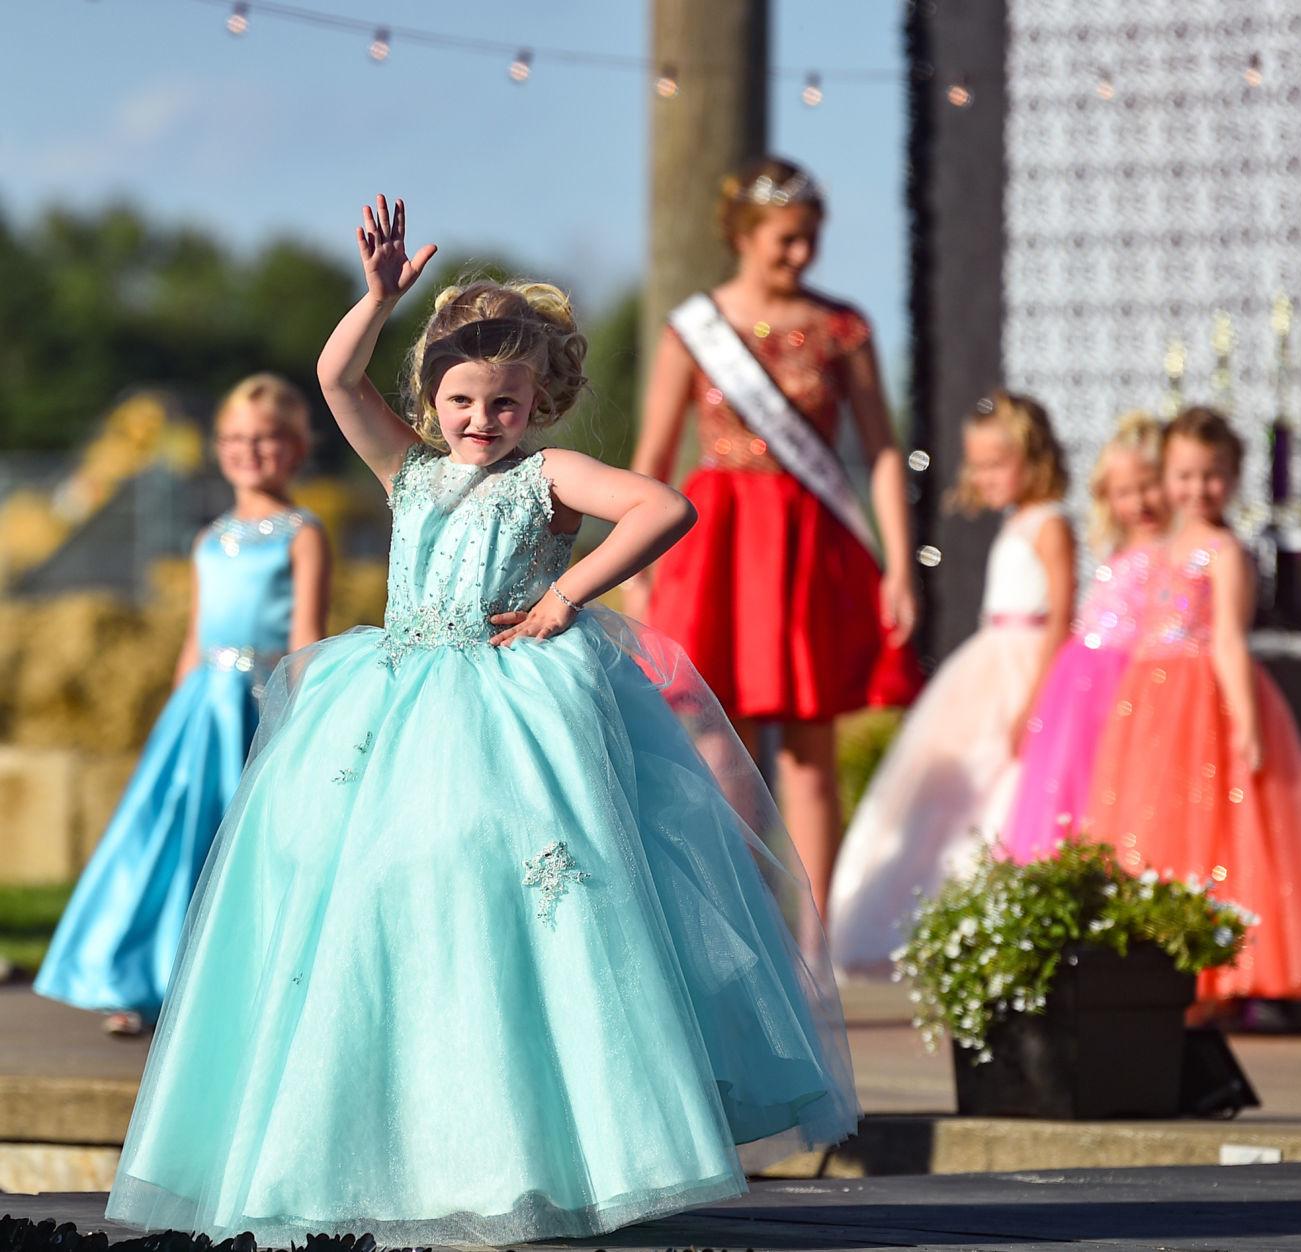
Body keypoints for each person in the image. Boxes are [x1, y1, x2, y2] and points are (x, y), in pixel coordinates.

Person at [105, 197, 857, 1245]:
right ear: (430, 396)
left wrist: (567, 594)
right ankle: (381, 1143)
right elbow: (332, 380)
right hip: (393, 702)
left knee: (512, 905)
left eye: (504, 402)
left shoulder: (544, 477)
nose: (479, 420)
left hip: (510, 714)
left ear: (538, 400)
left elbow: (661, 505)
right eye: (461, 399)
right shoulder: (406, 467)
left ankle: (531, 1156)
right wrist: (375, 300)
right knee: (376, 901)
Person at [631, 156, 921, 922]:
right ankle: (742, 923)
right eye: (786, 239)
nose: (800, 255)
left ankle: (813, 948)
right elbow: (653, 458)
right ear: (745, 235)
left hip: (806, 546)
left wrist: (898, 564)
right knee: (714, 743)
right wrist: (637, 571)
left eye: (810, 239)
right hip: (716, 544)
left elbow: (883, 449)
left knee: (809, 751)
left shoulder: (841, 328)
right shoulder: (692, 329)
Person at [34, 373, 329, 1035]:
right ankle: (136, 981)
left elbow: (306, 636)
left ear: (296, 447)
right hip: (201, 709)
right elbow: (196, 637)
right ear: (218, 447)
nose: (250, 451)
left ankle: (227, 994)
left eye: (267, 439)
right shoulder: (209, 540)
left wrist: (303, 718)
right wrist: (175, 712)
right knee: (164, 839)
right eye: (235, 439)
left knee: (239, 843)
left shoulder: (303, 532)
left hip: (257, 705)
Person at [1085, 407, 1301, 1004]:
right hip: (1150, 701)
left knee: (1216, 830)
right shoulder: (1161, 548)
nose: (1197, 489)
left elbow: (1228, 636)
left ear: (1234, 477)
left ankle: (1218, 976)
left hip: (1204, 696)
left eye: (1212, 476)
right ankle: (1157, 962)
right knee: (1154, 826)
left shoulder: (1225, 551)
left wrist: (1247, 722)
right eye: (1184, 475)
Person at [827, 391, 1074, 974]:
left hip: (1027, 665)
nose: (983, 478)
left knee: (1007, 789)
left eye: (997, 464)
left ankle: (999, 911)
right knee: (961, 792)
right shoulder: (1017, 523)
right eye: (978, 465)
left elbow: (1063, 614)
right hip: (990, 663)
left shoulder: (1050, 524)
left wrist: (1039, 700)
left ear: (1032, 457)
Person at [1000, 412, 1167, 863]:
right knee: (1072, 800)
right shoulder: (1118, 553)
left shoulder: (1172, 558)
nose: (1139, 503)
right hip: (1079, 698)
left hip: (1128, 695)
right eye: (1124, 493)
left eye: (1149, 486)